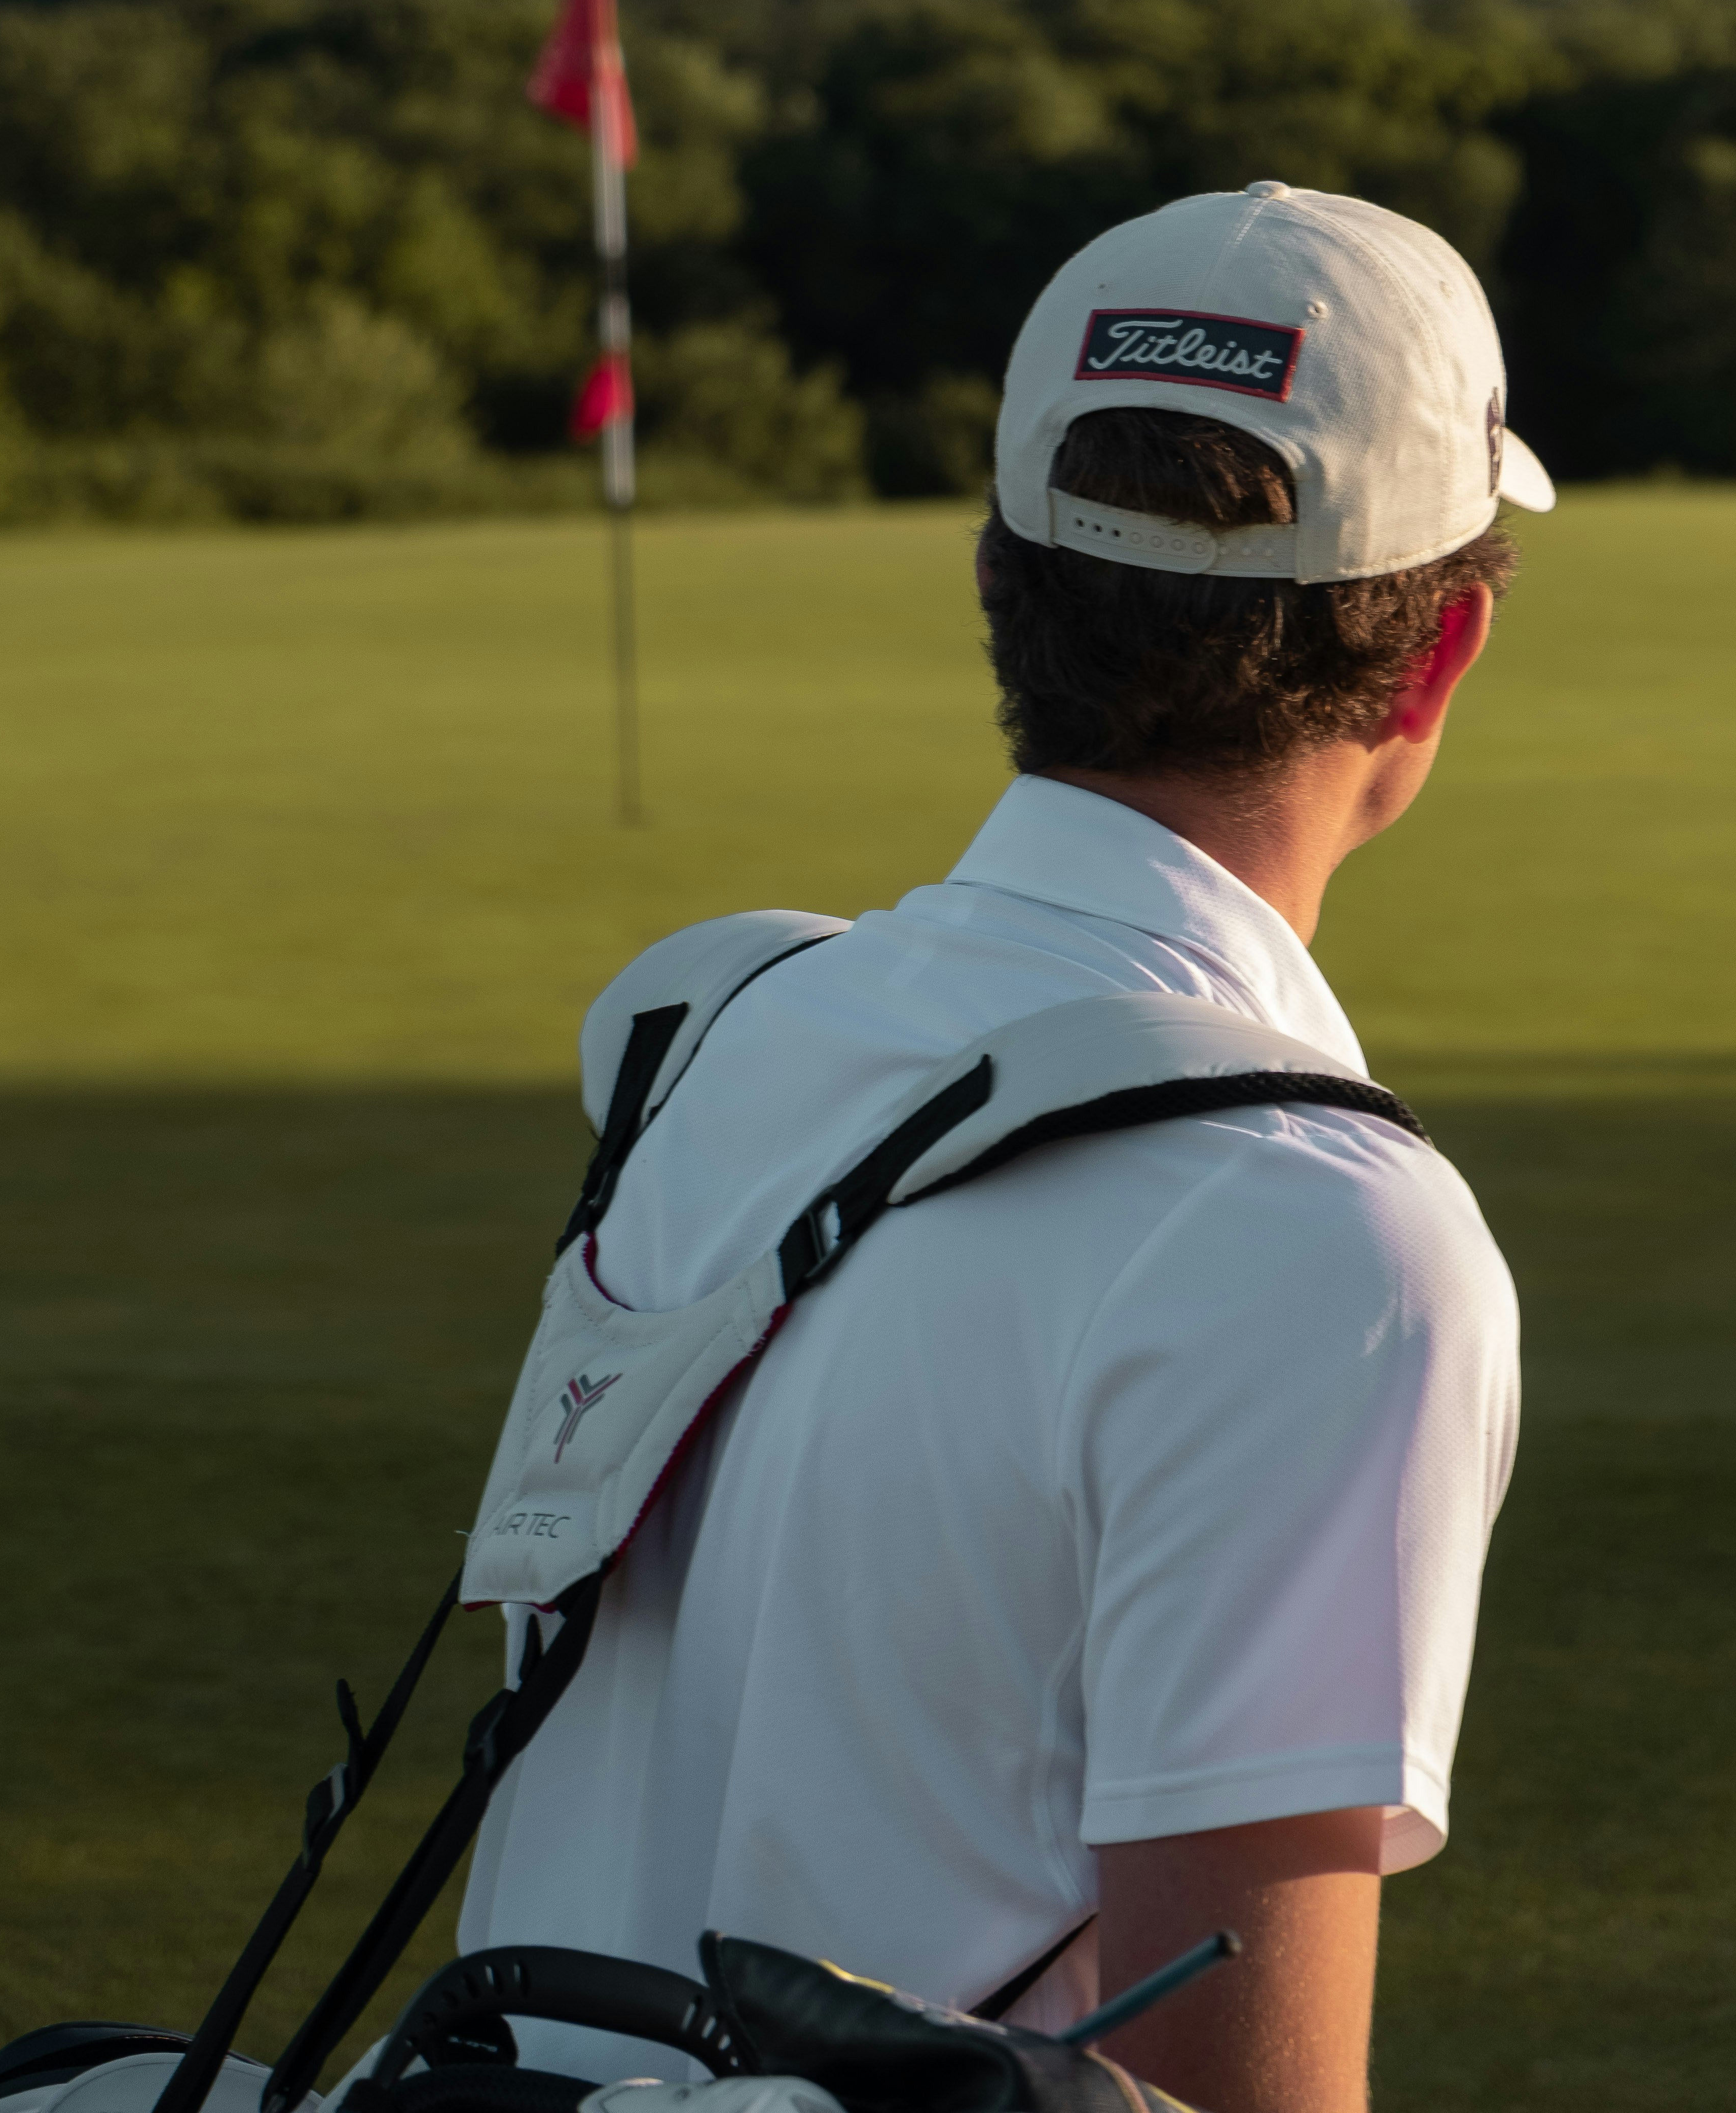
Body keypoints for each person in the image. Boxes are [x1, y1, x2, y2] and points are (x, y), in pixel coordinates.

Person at [457, 182, 1550, 2113]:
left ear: (1000, 583)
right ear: (1437, 652)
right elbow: (1233, 2093)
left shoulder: (707, 1025)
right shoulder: (1327, 1246)